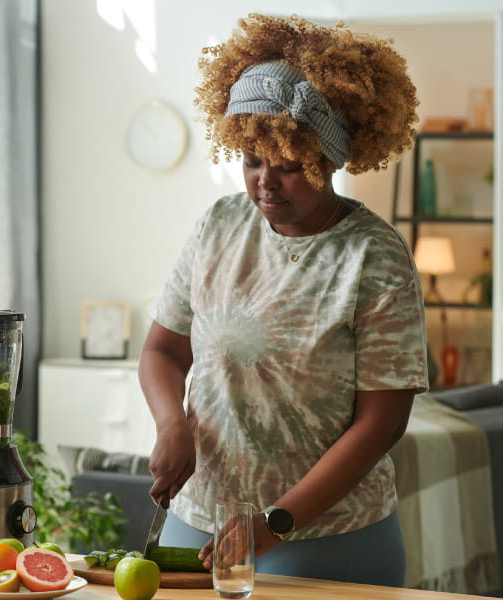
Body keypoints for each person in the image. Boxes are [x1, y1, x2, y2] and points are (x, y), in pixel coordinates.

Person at [139, 14, 427, 587]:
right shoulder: (219, 225)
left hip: (326, 536)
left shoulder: (374, 256)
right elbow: (163, 351)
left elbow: (382, 423)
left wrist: (277, 521)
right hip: (198, 520)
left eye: (290, 166)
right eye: (252, 160)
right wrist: (172, 425)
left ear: (330, 160)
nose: (265, 182)